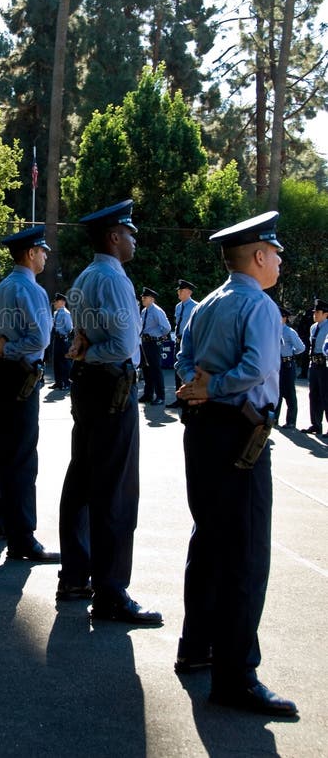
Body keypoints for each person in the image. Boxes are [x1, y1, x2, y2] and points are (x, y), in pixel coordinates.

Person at [175, 210, 297, 717]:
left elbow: (182, 358)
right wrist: (215, 387)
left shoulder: (205, 303)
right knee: (245, 553)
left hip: (203, 431)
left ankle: (197, 647)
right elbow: (258, 369)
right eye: (276, 254)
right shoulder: (261, 307)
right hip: (240, 436)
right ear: (260, 256)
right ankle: (236, 675)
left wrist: (197, 386)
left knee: (208, 540)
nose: (279, 262)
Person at [57, 199, 163, 623]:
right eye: (130, 232)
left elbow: (84, 336)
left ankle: (77, 575)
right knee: (116, 489)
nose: (135, 239)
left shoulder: (85, 277)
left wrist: (85, 350)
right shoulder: (114, 280)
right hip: (111, 386)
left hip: (90, 385)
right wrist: (93, 350)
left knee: (82, 478)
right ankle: (111, 592)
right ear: (114, 237)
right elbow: (121, 345)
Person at [0, 225, 57, 562]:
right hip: (20, 376)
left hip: (2, 375)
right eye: (42, 251)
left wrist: (3, 347)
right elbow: (40, 339)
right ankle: (23, 538)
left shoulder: (2, 288)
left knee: (1, 451)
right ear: (30, 253)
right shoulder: (30, 288)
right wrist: (11, 348)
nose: (45, 256)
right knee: (23, 457)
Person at [168, 279, 197, 409]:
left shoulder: (196, 306)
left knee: (189, 369)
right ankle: (179, 398)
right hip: (178, 341)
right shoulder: (178, 306)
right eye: (178, 290)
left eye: (181, 290)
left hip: (189, 342)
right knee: (178, 369)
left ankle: (190, 397)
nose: (178, 293)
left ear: (189, 292)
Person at [300, 297, 328, 437]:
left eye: (318, 312)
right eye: (314, 312)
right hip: (314, 364)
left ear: (325, 314)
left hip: (325, 365)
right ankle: (316, 424)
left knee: (326, 396)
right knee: (314, 395)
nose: (315, 314)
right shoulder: (313, 328)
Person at [139, 287, 171, 406]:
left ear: (151, 299)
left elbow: (167, 328)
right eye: (142, 297)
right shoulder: (144, 311)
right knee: (146, 369)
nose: (142, 299)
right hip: (145, 342)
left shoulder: (157, 311)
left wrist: (159, 337)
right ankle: (148, 394)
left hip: (153, 342)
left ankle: (160, 396)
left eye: (145, 297)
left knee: (156, 370)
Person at [276, 306, 305, 429]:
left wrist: (290, 354)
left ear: (284, 318)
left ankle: (291, 421)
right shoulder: (272, 330)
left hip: (287, 364)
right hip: (276, 365)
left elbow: (301, 347)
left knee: (289, 393)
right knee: (277, 392)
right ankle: (274, 419)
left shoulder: (289, 332)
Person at [49, 292, 73, 391]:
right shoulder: (56, 313)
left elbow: (69, 328)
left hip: (63, 339)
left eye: (56, 301)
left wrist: (63, 334)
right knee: (56, 361)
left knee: (64, 362)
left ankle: (66, 382)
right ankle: (58, 382)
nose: (54, 303)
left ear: (62, 302)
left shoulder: (66, 313)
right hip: (57, 339)